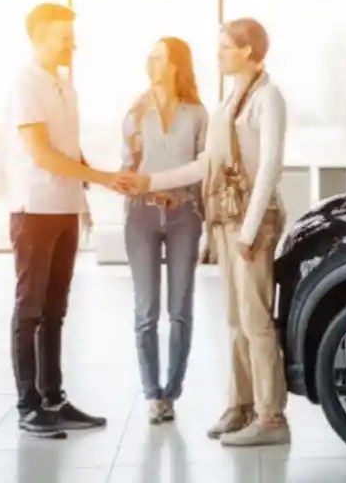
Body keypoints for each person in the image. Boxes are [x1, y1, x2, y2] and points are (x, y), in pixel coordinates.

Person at [116, 18, 290, 447]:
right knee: (235, 320)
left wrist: (249, 231)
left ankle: (271, 418)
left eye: (226, 48)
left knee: (256, 321)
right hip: (228, 223)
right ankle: (241, 405)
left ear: (249, 50)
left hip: (254, 222)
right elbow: (204, 166)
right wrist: (149, 183)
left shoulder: (268, 98)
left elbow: (269, 166)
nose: (218, 55)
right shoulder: (230, 99)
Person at [7, 2, 114, 438]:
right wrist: (100, 177)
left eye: (73, 36)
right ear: (38, 39)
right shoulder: (26, 85)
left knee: (56, 310)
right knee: (30, 309)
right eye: (64, 37)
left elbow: (68, 150)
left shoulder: (64, 87)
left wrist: (92, 186)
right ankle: (28, 405)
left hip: (66, 208)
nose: (73, 44)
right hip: (34, 210)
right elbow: (41, 153)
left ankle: (54, 398)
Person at [121, 37, 208, 425]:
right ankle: (151, 393)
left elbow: (205, 169)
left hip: (184, 216)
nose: (150, 62)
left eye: (159, 57)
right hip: (141, 215)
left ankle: (171, 392)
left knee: (180, 310)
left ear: (176, 65)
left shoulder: (197, 114)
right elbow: (127, 171)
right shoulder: (135, 114)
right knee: (146, 310)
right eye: (150, 55)